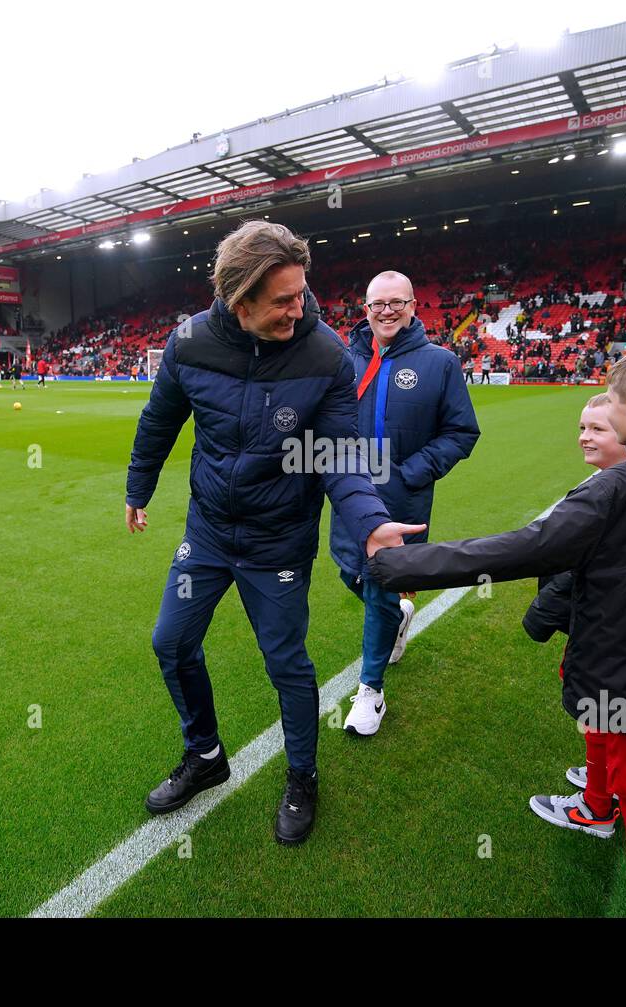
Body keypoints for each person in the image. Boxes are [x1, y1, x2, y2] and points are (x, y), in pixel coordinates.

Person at [367, 343, 626, 917]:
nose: (604, 412)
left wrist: (394, 564)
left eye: (609, 401)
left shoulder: (621, 484)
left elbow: (523, 550)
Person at [125, 220, 418, 846]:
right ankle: (204, 756)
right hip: (206, 533)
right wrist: (138, 489)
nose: (300, 307)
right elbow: (159, 421)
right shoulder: (190, 342)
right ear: (240, 302)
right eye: (283, 300)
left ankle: (302, 777)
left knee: (285, 663)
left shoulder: (327, 355)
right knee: (170, 644)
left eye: (301, 292)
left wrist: (368, 522)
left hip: (278, 543)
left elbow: (340, 453)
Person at [331, 270, 480, 736]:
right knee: (348, 572)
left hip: (401, 502)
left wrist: (410, 473)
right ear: (366, 310)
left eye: (397, 302)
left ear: (414, 306)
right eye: (378, 304)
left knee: (378, 586)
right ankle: (399, 613)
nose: (387, 311)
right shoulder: (343, 360)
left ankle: (370, 691)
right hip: (349, 497)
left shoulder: (440, 363)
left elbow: (461, 432)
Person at [524, 392, 626, 837]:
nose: (584, 437)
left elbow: (566, 565)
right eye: (582, 428)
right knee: (606, 711)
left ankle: (597, 806)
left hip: (605, 631)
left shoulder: (615, 492)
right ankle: (606, 781)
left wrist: (543, 613)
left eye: (597, 429)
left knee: (598, 709)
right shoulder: (622, 482)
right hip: (613, 630)